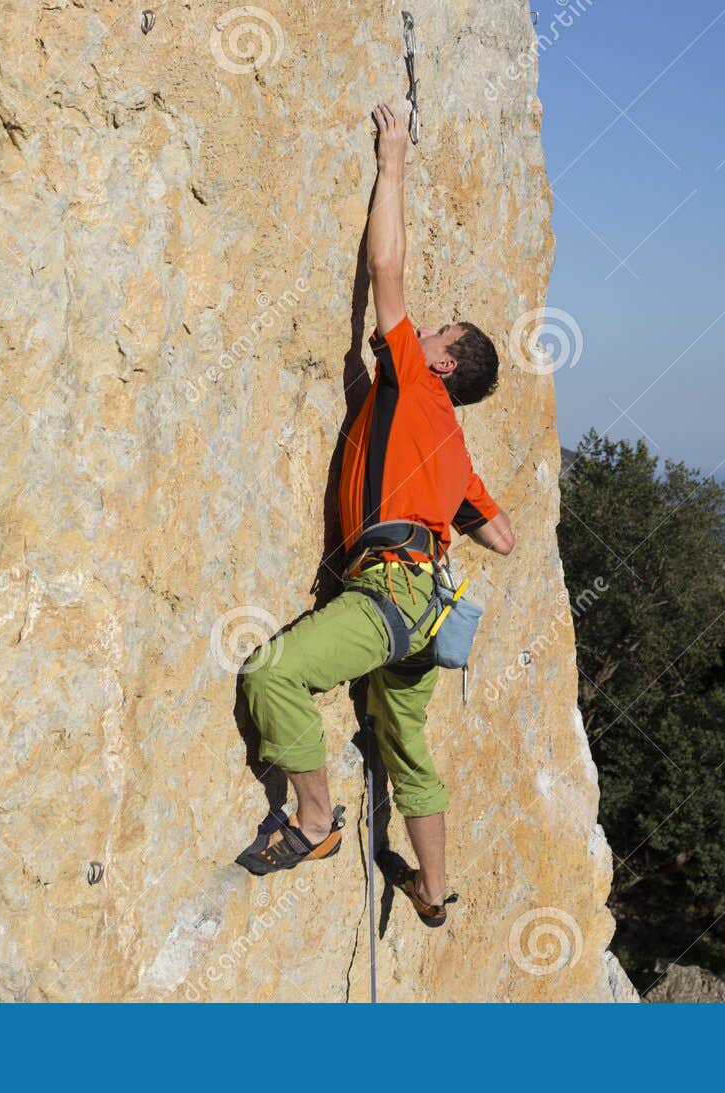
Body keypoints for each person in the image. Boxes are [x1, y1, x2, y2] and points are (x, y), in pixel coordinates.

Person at [235, 101, 515, 927]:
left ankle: (316, 821)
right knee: (407, 745)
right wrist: (451, 507)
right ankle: (433, 891)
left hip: (386, 598)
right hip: (426, 609)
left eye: (437, 332)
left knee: (273, 671)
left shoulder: (417, 384)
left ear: (444, 360)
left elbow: (385, 277)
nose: (421, 328)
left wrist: (392, 165)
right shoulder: (456, 452)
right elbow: (504, 535)